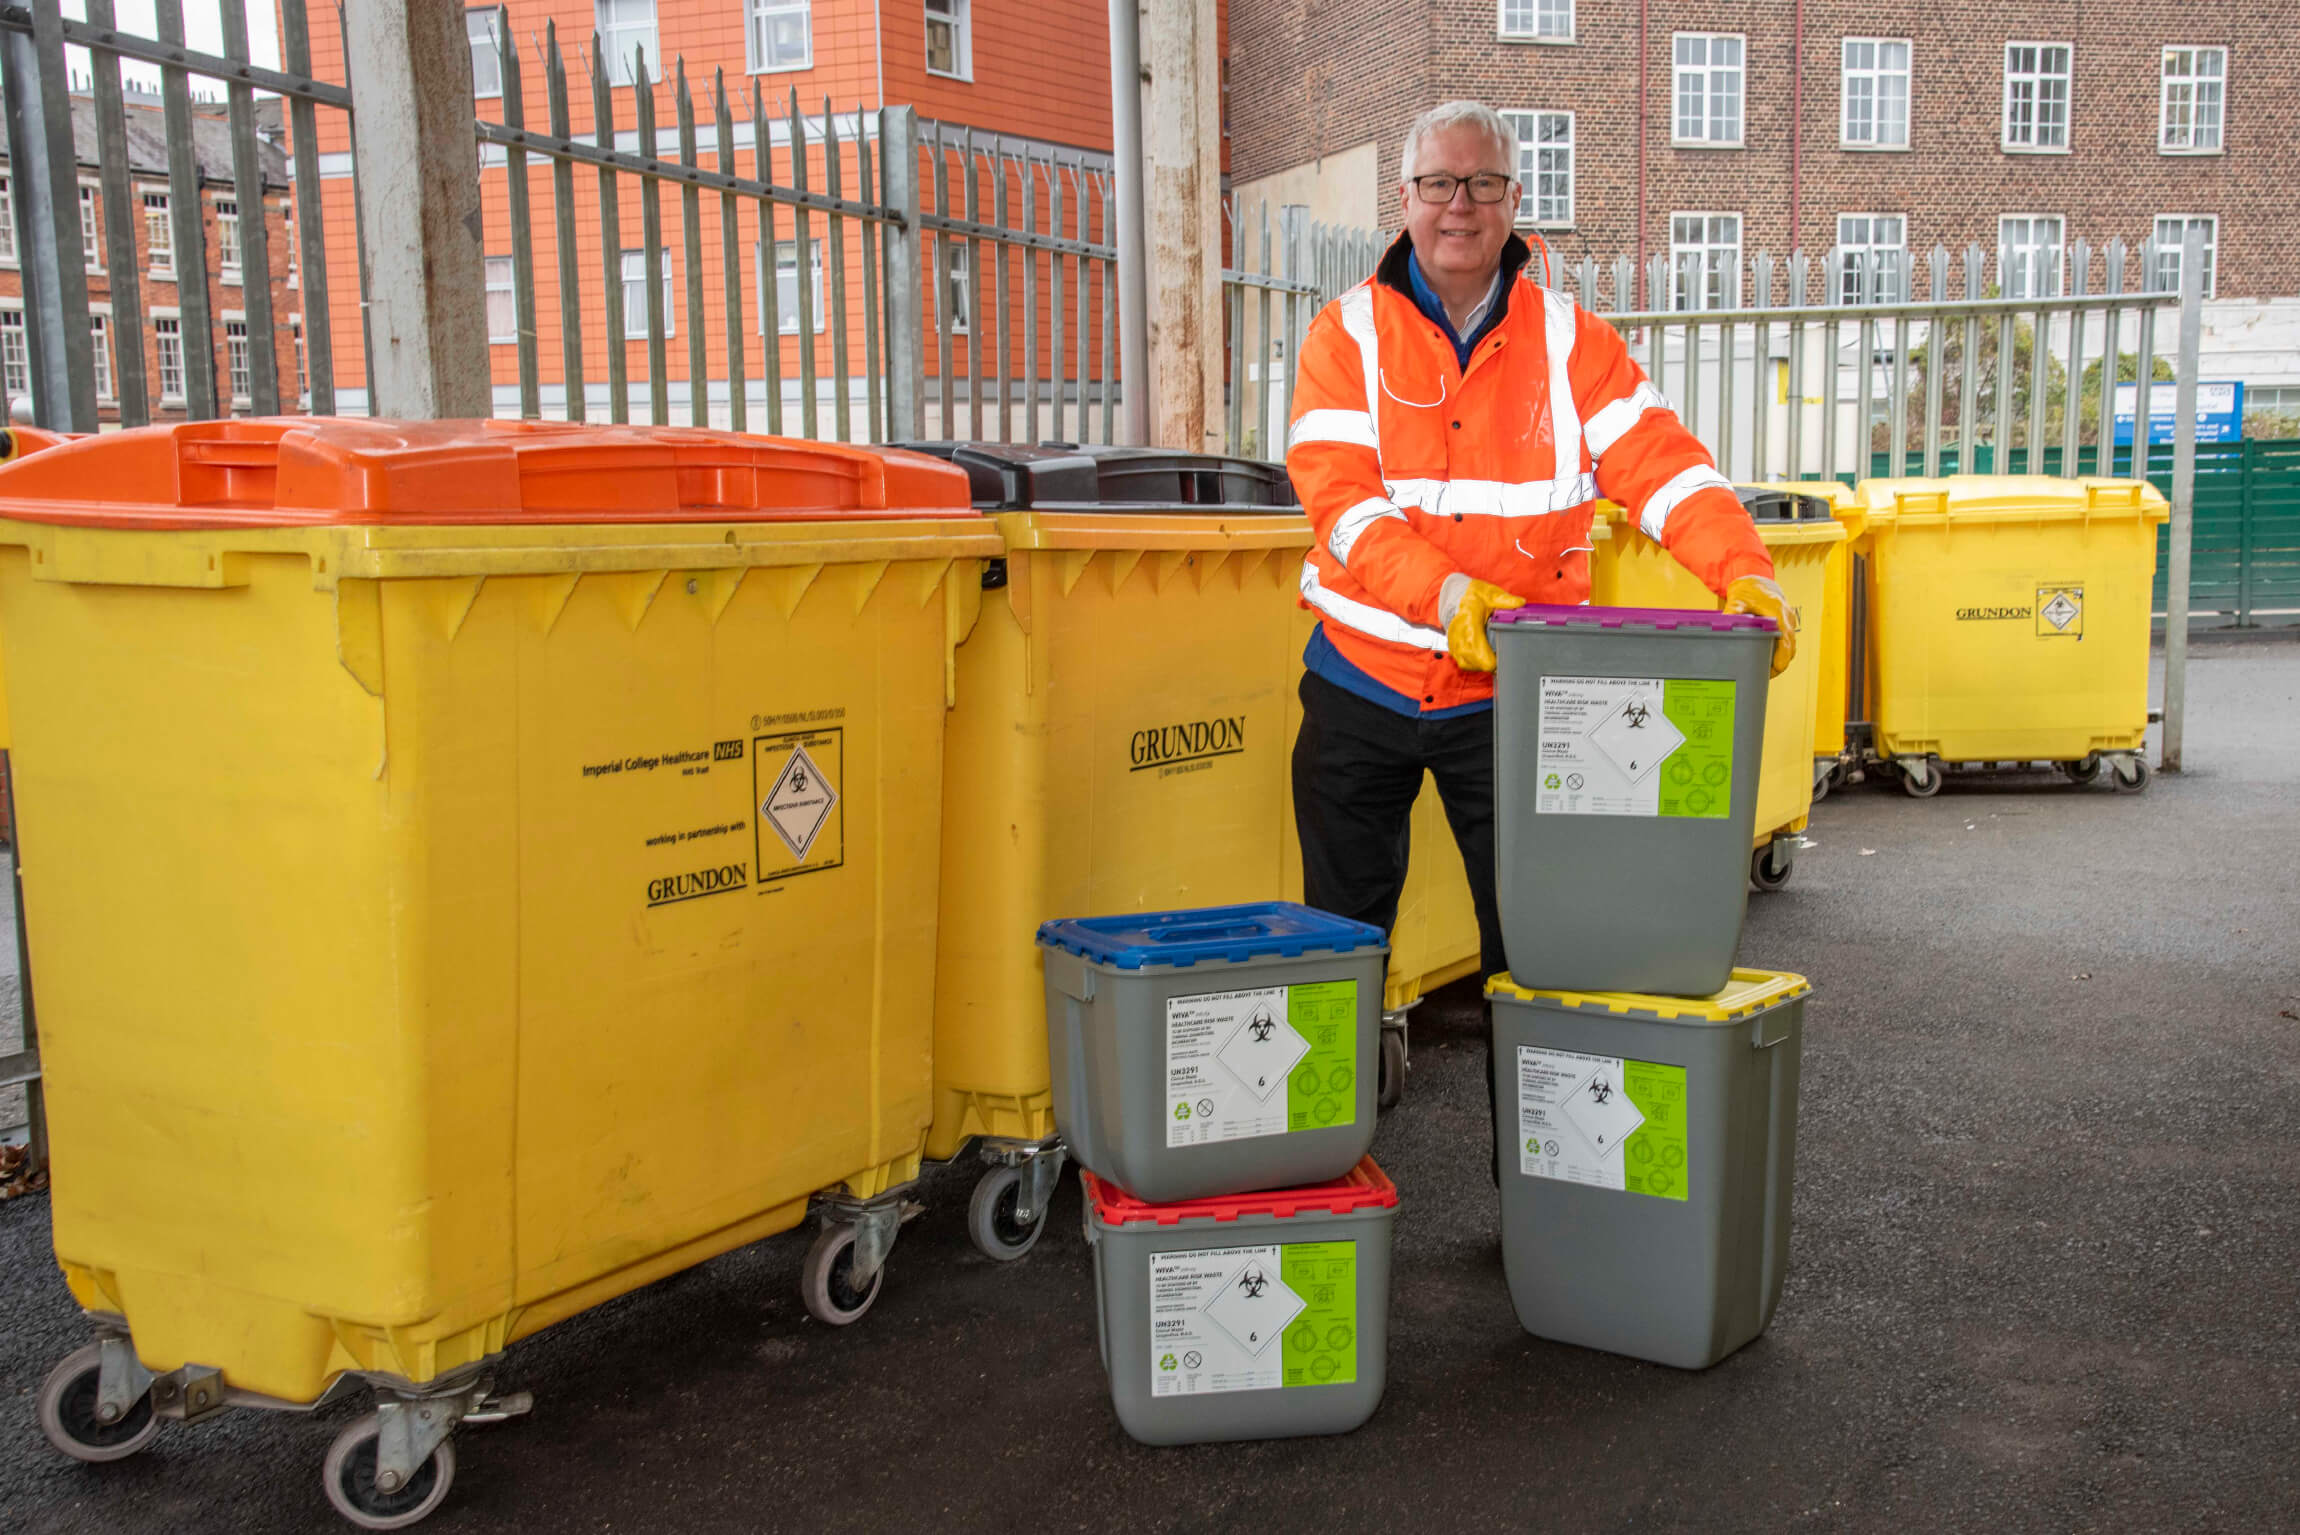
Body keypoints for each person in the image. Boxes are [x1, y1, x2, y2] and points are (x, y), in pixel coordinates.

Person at [1285, 100, 1796, 1042]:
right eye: (1439, 183)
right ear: (1405, 198)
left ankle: (1537, 1181)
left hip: (1515, 701)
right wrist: (1445, 596)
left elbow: (1664, 467)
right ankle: (1329, 1173)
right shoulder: (1343, 337)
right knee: (1337, 947)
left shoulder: (1573, 342)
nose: (1460, 206)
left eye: (1482, 184)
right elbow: (1343, 504)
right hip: (1363, 682)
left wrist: (1745, 569)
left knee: (1532, 958)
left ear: (1515, 201)